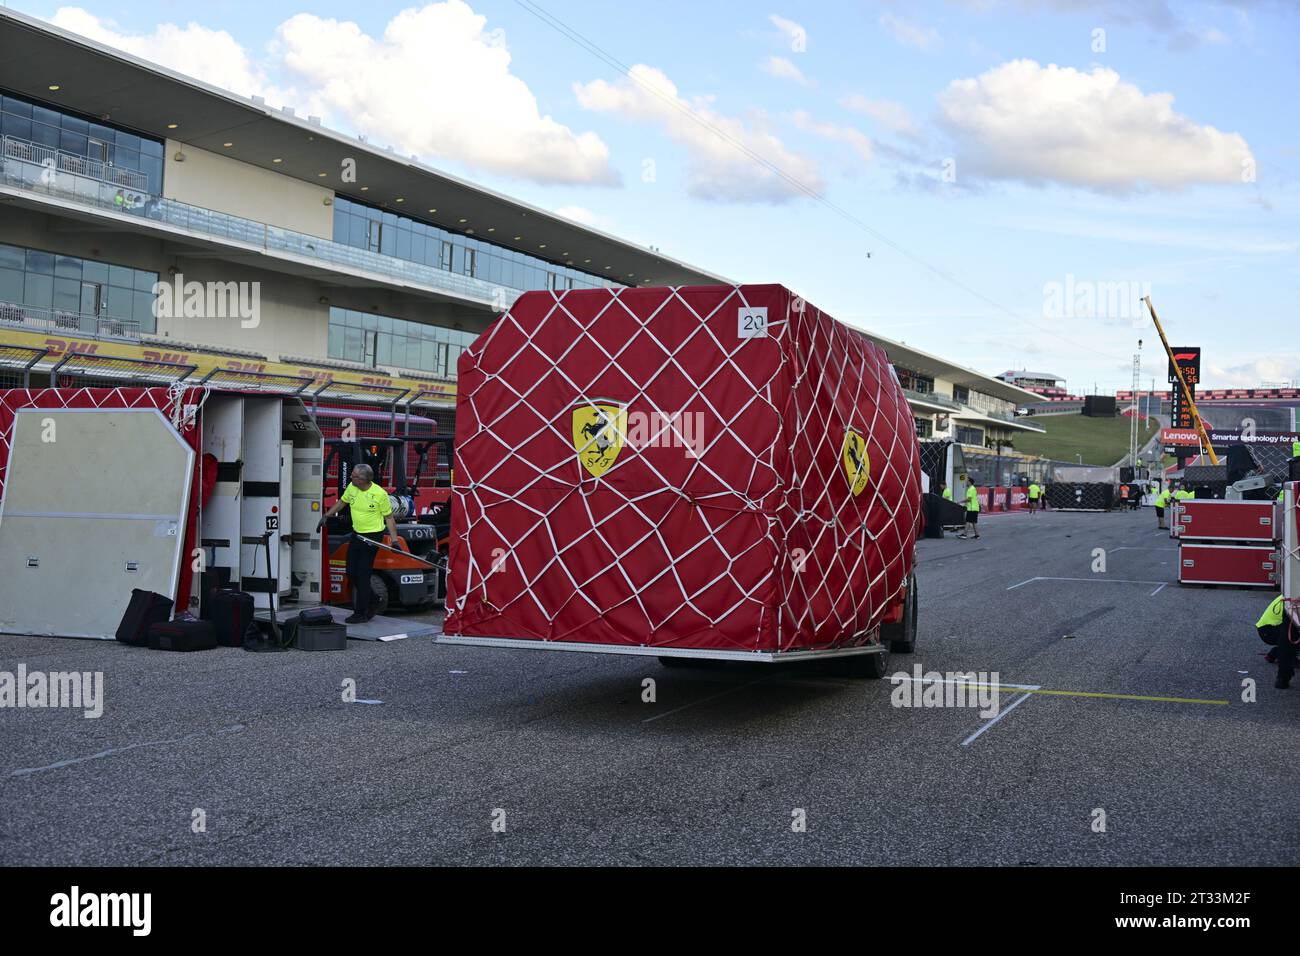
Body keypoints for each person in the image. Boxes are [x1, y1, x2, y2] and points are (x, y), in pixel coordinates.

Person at [317, 463, 400, 623]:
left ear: (362, 479)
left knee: (363, 574)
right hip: (357, 534)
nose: (350, 477)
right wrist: (326, 515)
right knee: (350, 572)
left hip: (372, 537)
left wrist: (394, 541)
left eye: (353, 476)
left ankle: (360, 612)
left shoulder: (379, 494)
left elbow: (389, 518)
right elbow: (342, 503)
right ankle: (374, 599)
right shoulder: (352, 487)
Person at [1256, 595, 1294, 689]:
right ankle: (1283, 678)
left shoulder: (1292, 590)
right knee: (1290, 637)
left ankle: (1274, 653)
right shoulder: (1292, 599)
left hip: (1269, 628)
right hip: (1268, 630)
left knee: (1290, 637)